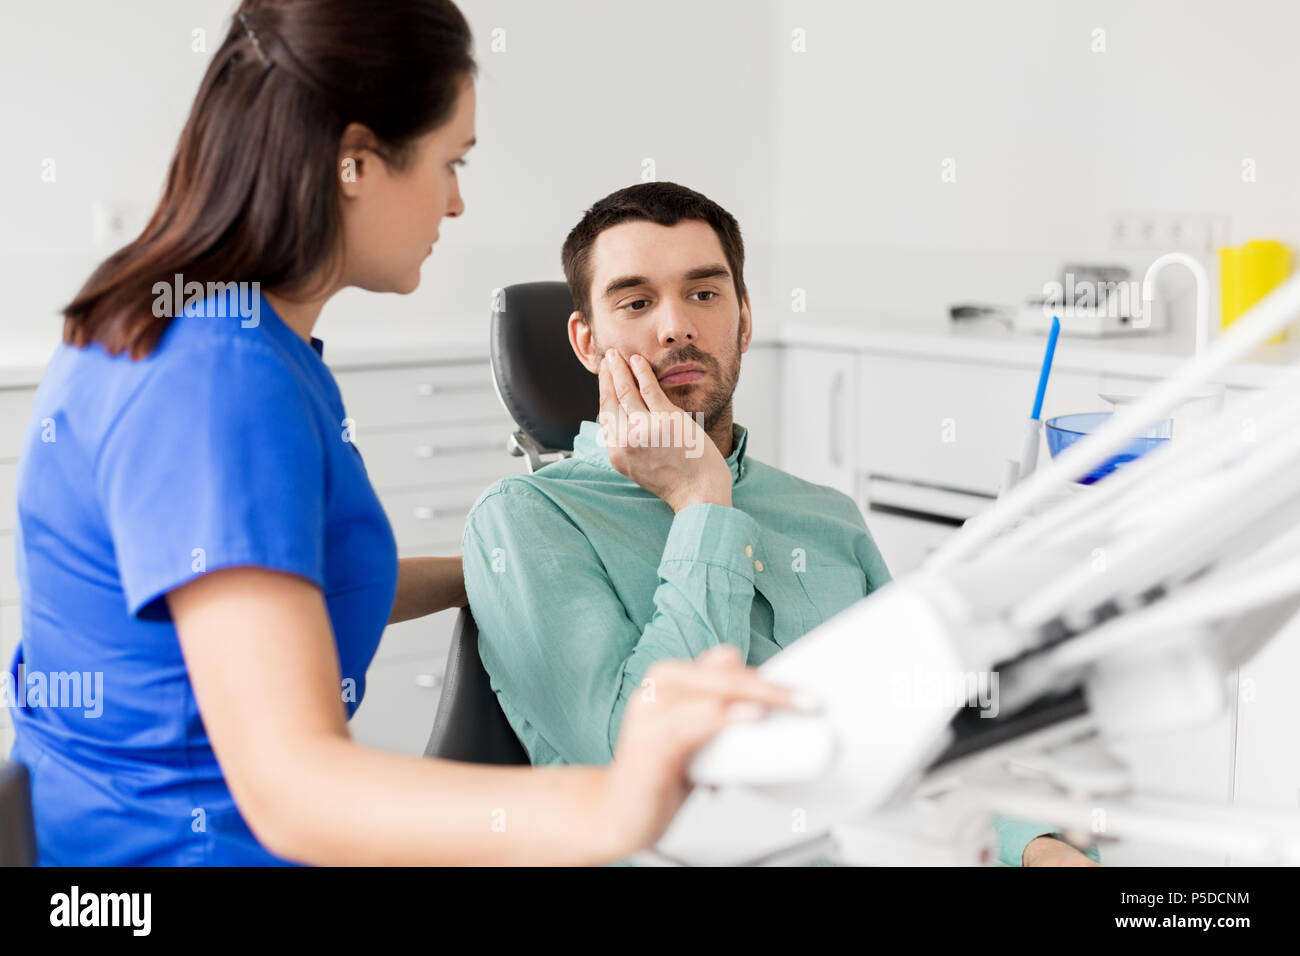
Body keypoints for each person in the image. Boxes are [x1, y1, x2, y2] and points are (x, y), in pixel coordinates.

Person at [6, 0, 796, 866]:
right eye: (451, 162)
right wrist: (613, 805)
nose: (456, 203)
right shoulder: (217, 382)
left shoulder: (225, 338)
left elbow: (280, 590)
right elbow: (295, 790)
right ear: (354, 162)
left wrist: (517, 560)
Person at [461, 182, 1101, 866]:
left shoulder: (827, 517)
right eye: (637, 302)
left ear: (744, 320)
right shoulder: (526, 520)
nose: (675, 327)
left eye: (703, 293)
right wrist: (701, 501)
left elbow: (919, 730)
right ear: (587, 342)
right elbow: (636, 769)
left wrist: (1032, 846)